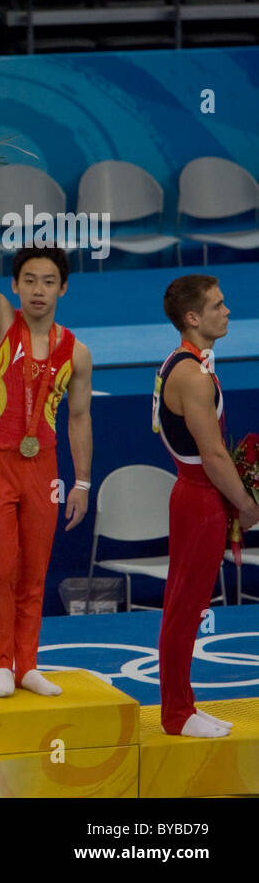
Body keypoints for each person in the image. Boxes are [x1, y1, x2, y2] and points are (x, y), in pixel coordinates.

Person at [0, 179, 93, 698]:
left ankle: (28, 661)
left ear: (63, 289)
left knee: (35, 568)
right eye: (29, 280)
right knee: (0, 567)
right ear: (15, 286)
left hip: (44, 466)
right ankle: (1, 664)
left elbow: (79, 418)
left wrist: (82, 482)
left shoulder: (77, 353)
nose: (37, 289)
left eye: (48, 281)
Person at [154, 276, 259, 738]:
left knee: (190, 605)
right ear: (193, 318)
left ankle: (184, 706)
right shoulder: (191, 375)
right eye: (218, 305)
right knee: (184, 607)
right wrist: (246, 502)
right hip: (199, 499)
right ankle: (177, 714)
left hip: (195, 494)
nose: (228, 311)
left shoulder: (185, 364)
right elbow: (213, 453)